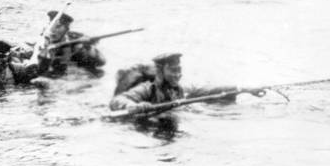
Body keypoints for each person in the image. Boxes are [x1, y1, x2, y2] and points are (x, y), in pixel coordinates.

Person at [110, 52, 263, 116]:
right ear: (160, 72)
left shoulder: (180, 88)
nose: (178, 75)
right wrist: (132, 106)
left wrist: (243, 89)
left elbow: (208, 90)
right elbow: (118, 100)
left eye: (179, 70)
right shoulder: (147, 89)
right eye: (173, 71)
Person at [32, 11, 106, 76]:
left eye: (58, 26)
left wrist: (88, 48)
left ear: (66, 29)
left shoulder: (76, 40)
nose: (53, 30)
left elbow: (101, 62)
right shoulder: (42, 38)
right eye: (51, 25)